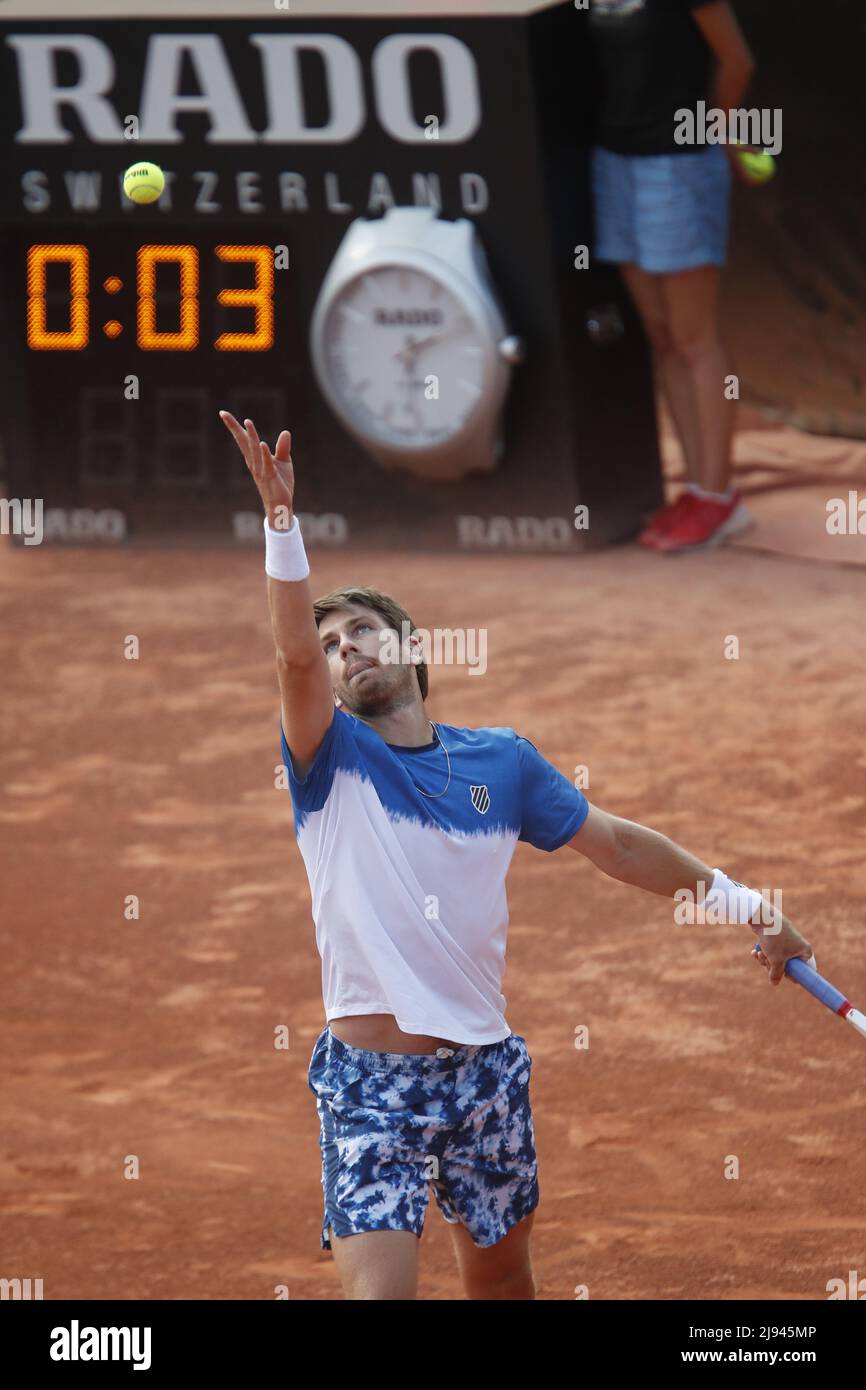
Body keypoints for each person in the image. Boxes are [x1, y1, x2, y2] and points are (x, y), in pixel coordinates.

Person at [220, 412, 813, 1300]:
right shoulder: (327, 758)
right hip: (369, 1085)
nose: (343, 653)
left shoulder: (503, 759)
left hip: (485, 1075)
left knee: (502, 1289)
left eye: (363, 633)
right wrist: (281, 525)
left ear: (414, 652)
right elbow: (292, 659)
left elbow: (617, 847)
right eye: (335, 645)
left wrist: (751, 909)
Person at [587, 0, 760, 551]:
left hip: (679, 168)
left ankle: (719, 497)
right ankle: (695, 487)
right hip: (615, 165)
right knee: (662, 337)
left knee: (693, 338)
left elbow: (738, 62)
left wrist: (717, 133)